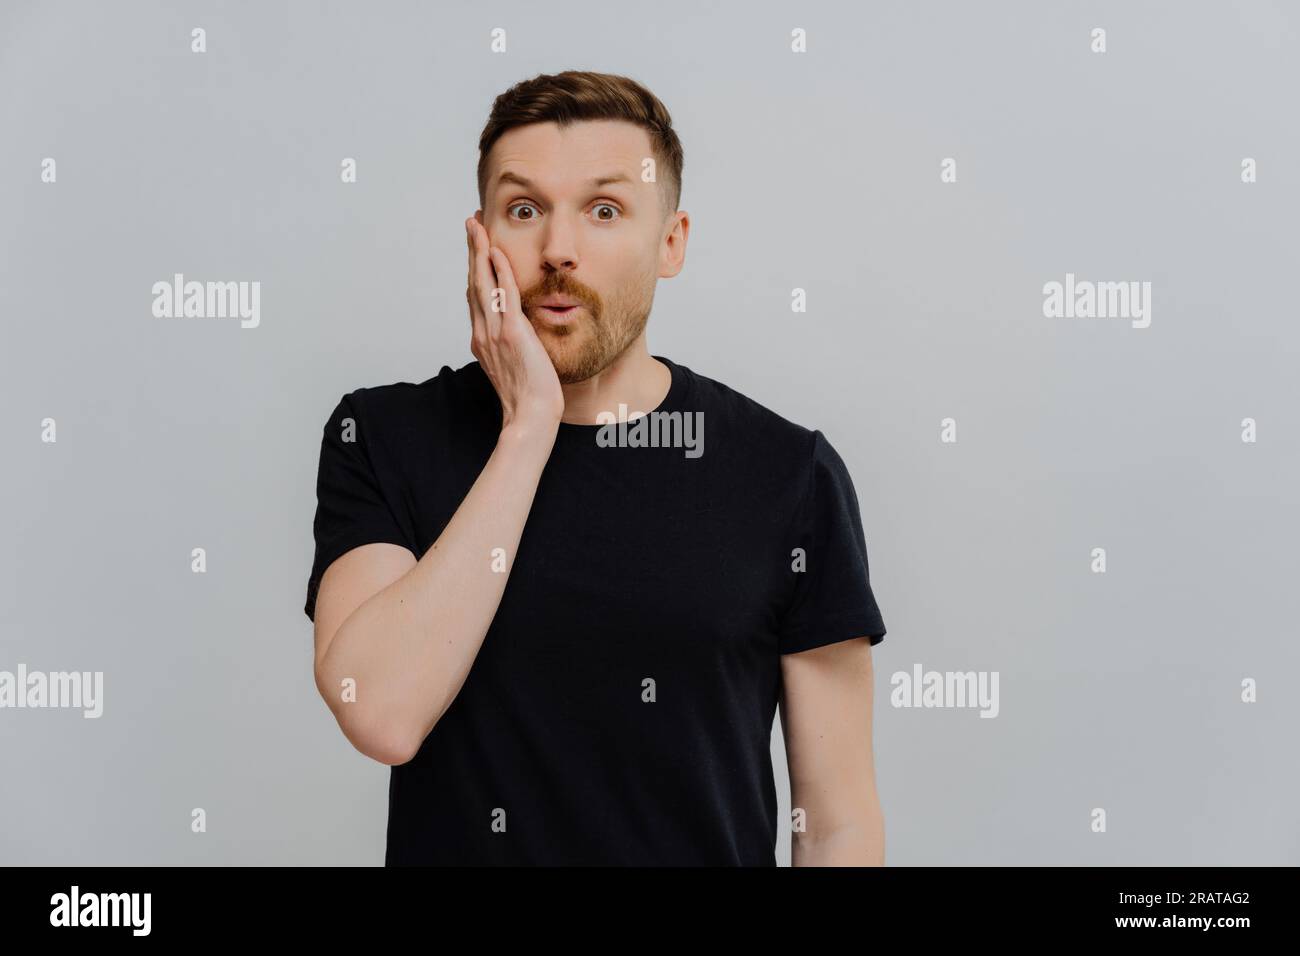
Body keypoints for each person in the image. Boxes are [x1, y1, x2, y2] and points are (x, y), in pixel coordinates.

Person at [305, 70, 889, 865]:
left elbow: (835, 822)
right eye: (524, 210)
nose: (558, 252)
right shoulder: (379, 435)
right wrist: (530, 427)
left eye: (605, 210)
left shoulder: (788, 473)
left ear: (671, 242)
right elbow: (380, 712)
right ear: (481, 239)